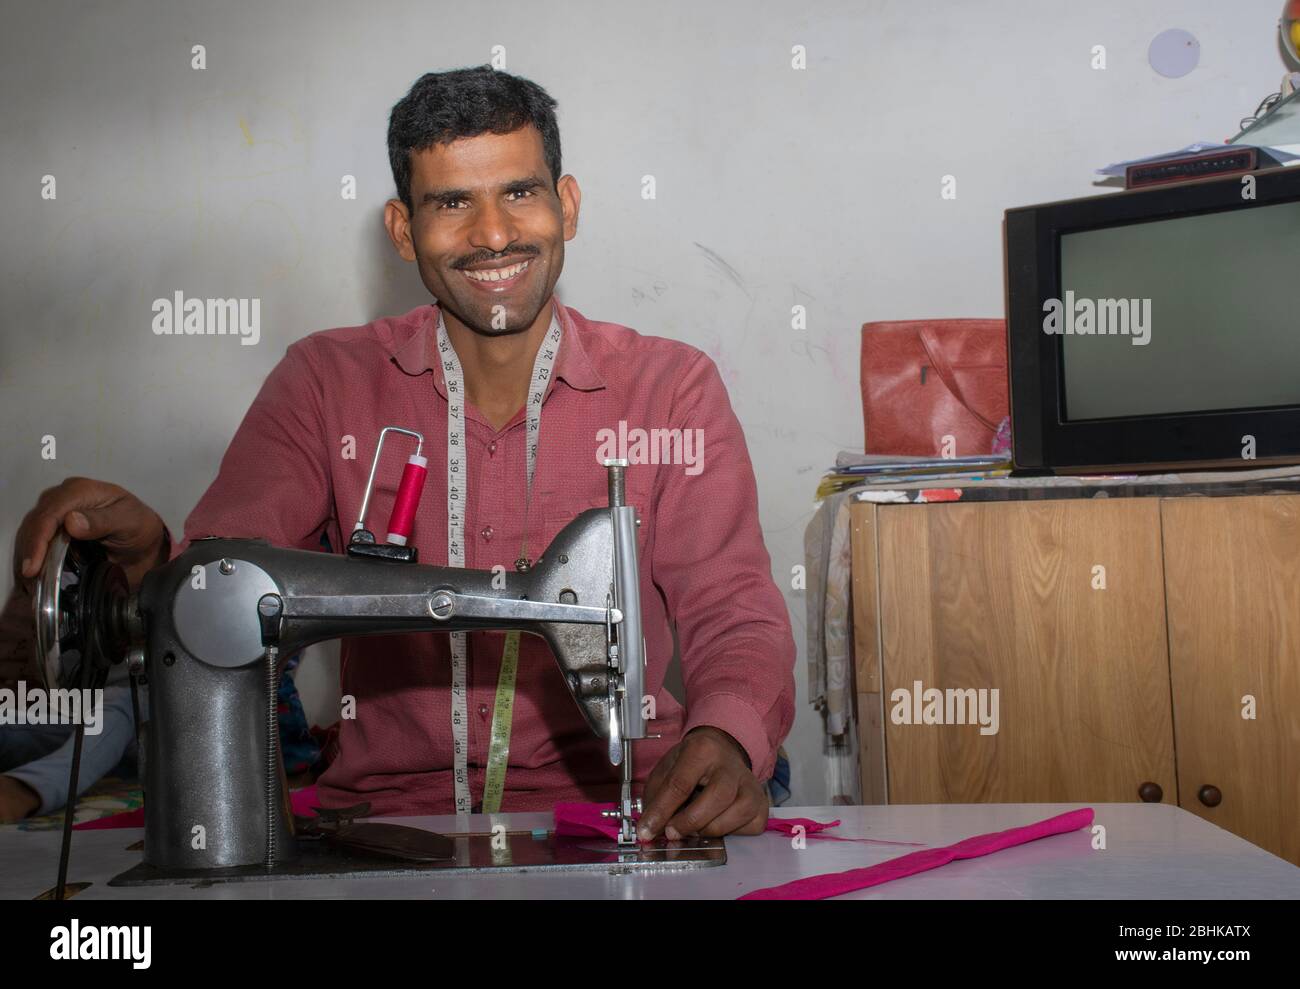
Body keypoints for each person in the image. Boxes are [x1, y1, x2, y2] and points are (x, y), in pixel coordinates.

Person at [10, 66, 795, 842]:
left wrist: (725, 735)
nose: (492, 233)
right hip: (385, 824)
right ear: (401, 229)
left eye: (520, 191)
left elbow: (735, 611)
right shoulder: (323, 384)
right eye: (452, 202)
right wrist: (153, 566)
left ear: (568, 205)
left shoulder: (670, 389)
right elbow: (221, 592)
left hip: (615, 810)